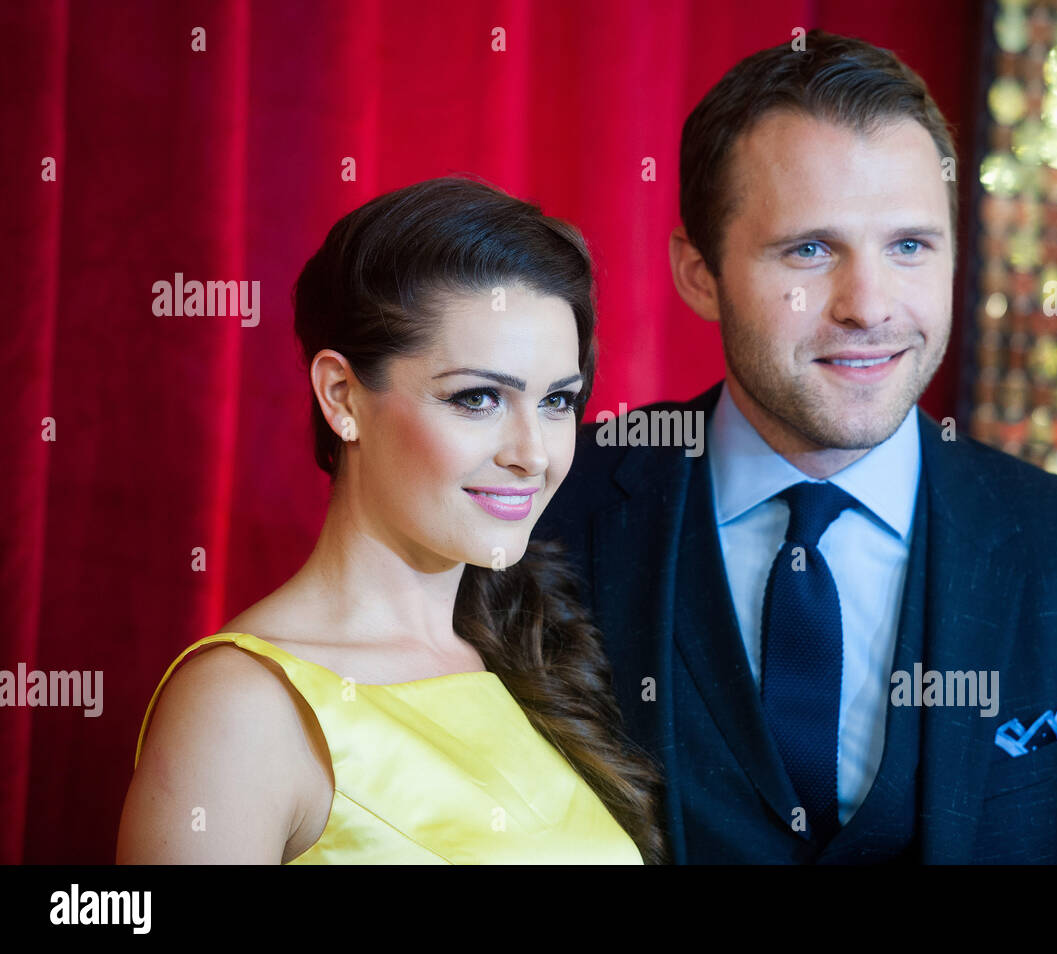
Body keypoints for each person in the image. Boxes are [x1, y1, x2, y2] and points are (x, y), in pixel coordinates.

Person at [534, 30, 1057, 864]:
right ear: (699, 272)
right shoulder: (543, 501)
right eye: (810, 249)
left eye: (909, 246)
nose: (868, 305)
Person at [118, 177, 663, 864]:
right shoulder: (242, 707)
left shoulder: (530, 652)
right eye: (477, 398)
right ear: (342, 396)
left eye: (557, 402)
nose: (533, 454)